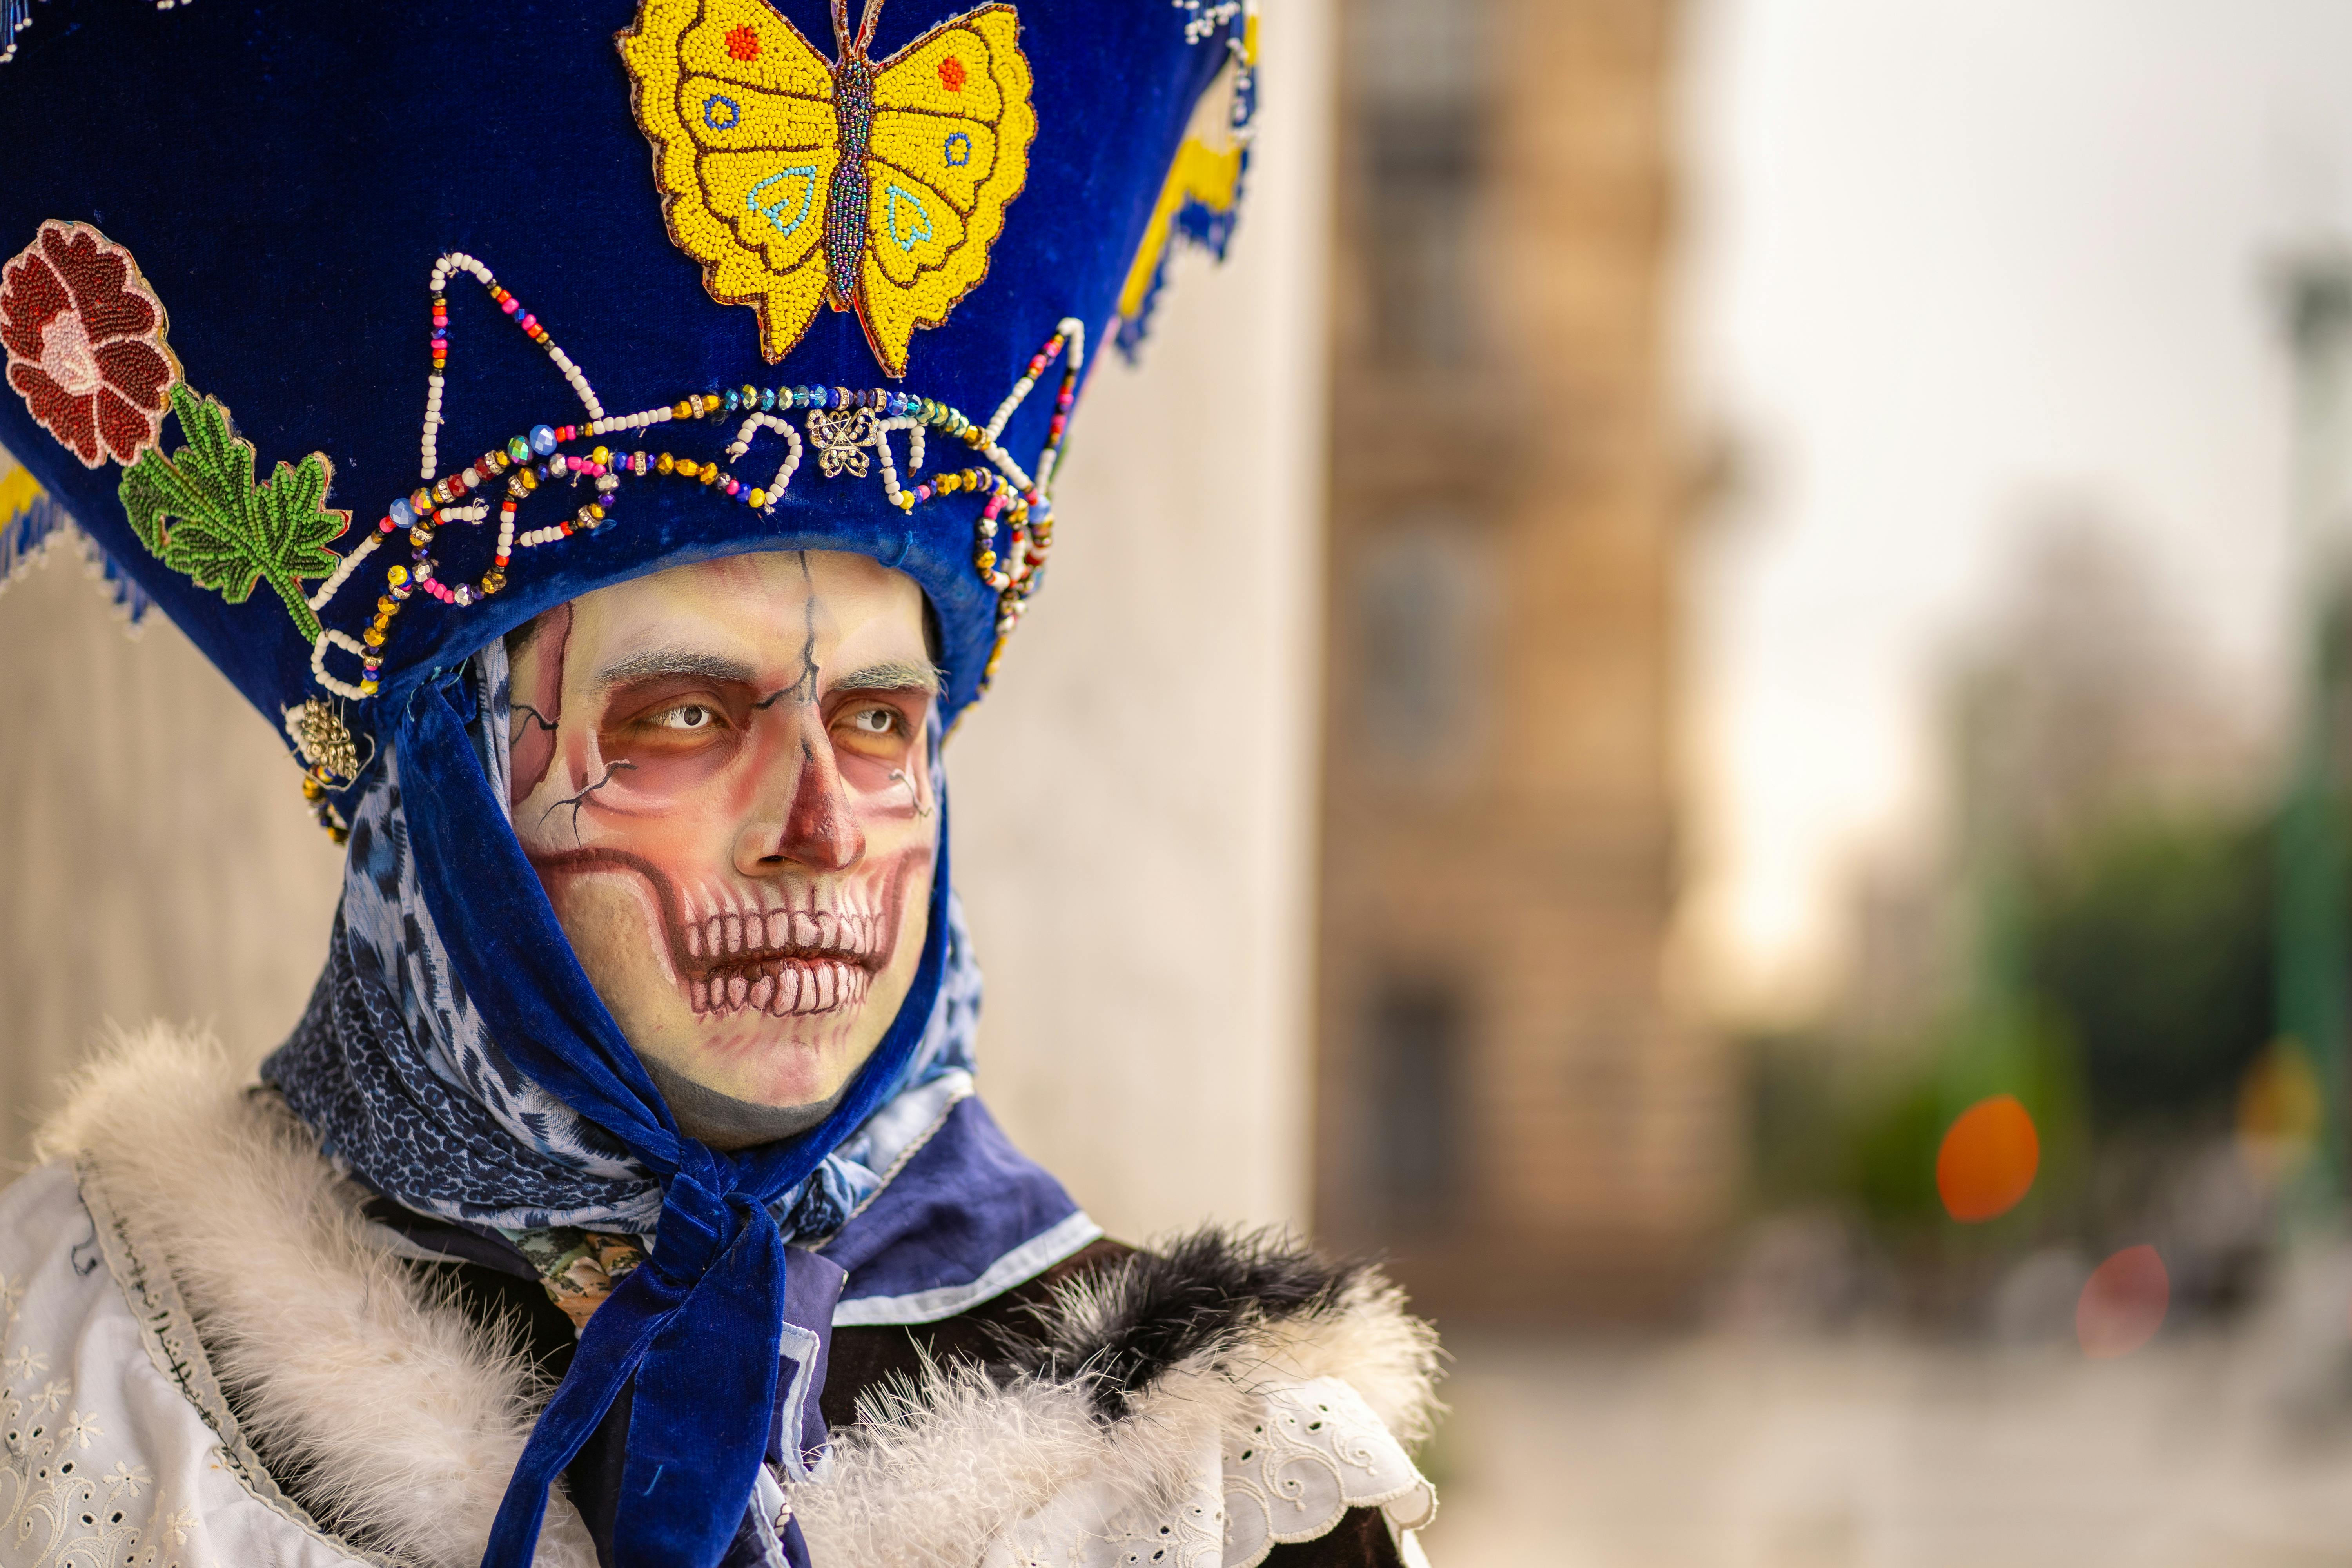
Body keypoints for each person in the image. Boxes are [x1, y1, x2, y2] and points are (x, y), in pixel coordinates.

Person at [0, 2, 1441, 1566]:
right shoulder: (91, 1373)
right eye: (689, 713)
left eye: (885, 724)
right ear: (446, 802)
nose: (823, 828)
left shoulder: (1226, 1484)